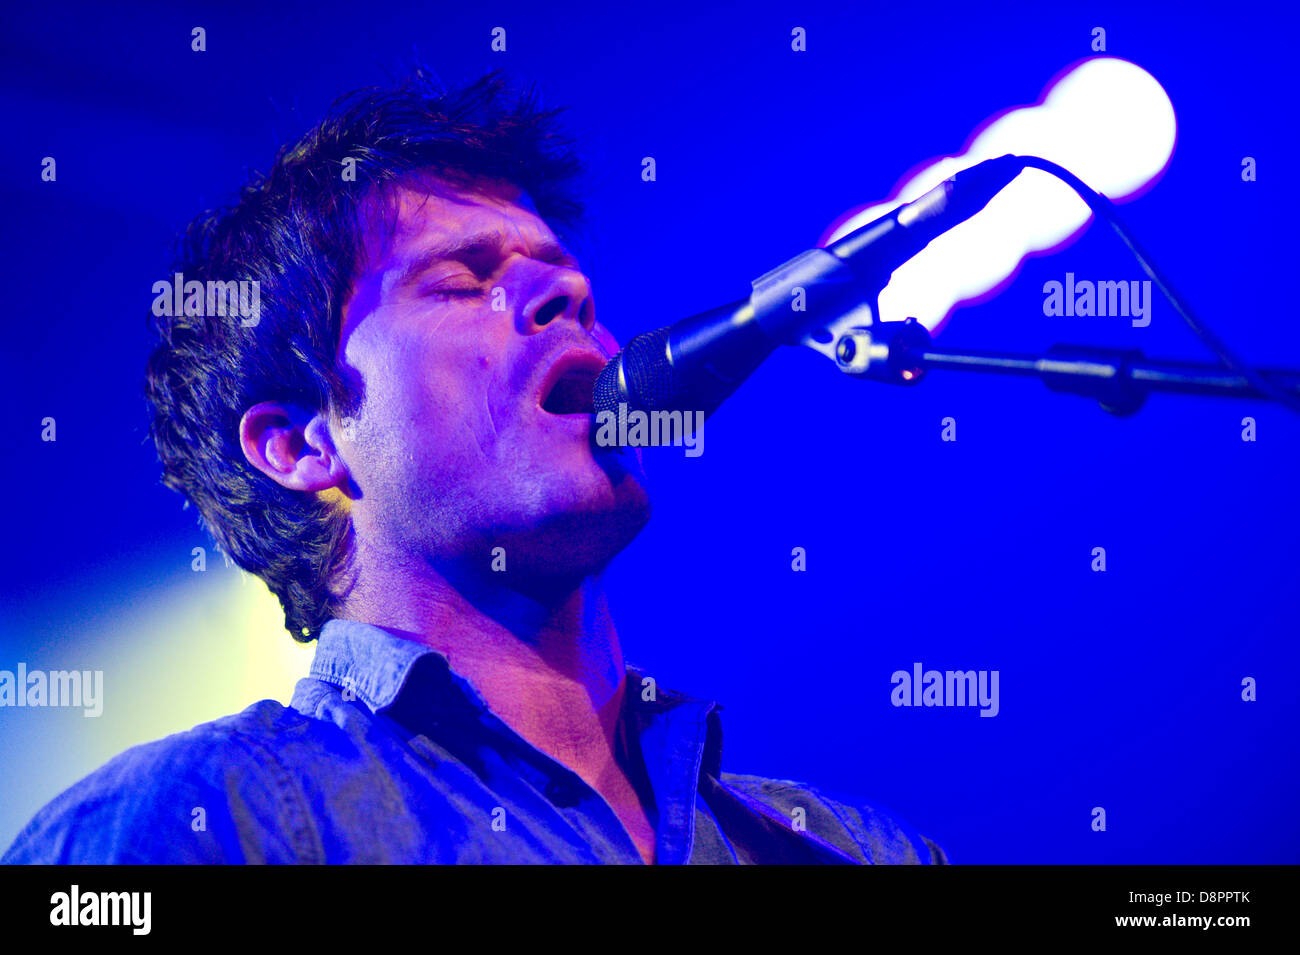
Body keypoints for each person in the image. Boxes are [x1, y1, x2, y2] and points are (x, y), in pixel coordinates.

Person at [3, 69, 945, 865]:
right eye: (464, 280)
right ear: (301, 445)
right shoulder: (208, 817)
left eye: (561, 268)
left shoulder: (855, 846)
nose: (564, 290)